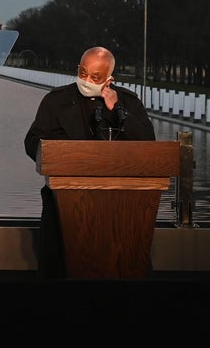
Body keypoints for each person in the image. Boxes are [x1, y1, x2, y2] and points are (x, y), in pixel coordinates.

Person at [23, 45, 155, 278]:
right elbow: (32, 141)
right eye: (83, 73)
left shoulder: (128, 102)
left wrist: (117, 109)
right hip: (62, 203)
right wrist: (60, 156)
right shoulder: (55, 101)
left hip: (118, 207)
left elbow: (147, 144)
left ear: (109, 79)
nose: (86, 80)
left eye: (95, 77)